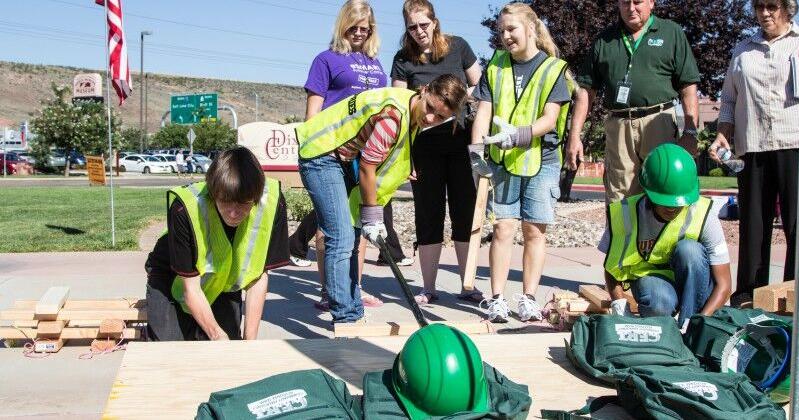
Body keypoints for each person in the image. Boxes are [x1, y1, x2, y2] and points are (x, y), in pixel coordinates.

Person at [296, 74, 468, 324]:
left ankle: (353, 310)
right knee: (341, 237)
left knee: (351, 236)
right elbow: (368, 167)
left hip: (339, 158)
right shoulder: (393, 116)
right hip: (320, 155)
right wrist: (372, 215)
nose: (430, 118)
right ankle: (345, 318)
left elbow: (394, 151)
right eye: (430, 108)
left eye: (440, 117)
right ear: (424, 89)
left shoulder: (411, 105)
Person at [288, 0, 411, 311]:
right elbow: (313, 113)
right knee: (330, 227)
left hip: (362, 154)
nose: (358, 33)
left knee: (356, 227)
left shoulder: (375, 64)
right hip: (331, 152)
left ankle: (353, 287)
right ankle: (330, 290)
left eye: (364, 28)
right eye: (353, 27)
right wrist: (319, 148)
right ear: (342, 26)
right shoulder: (326, 60)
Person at [471, 3, 574, 323]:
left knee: (533, 231)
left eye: (511, 29)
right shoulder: (496, 66)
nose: (505, 36)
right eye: (501, 31)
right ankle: (497, 298)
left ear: (531, 28)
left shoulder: (553, 69)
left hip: (541, 160)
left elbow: (550, 119)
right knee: (502, 229)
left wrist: (518, 135)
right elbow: (483, 112)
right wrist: (475, 152)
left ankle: (528, 298)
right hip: (503, 161)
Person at [144, 147, 290, 341]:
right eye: (226, 202)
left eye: (244, 203)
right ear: (213, 194)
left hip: (224, 284)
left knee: (230, 354)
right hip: (173, 281)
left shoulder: (272, 203)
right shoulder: (184, 208)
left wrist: (250, 342)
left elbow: (258, 277)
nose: (233, 213)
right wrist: (216, 334)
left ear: (255, 198)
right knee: (172, 352)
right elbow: (191, 289)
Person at [391, 0, 483, 305]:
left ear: (435, 22)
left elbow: (482, 87)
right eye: (412, 27)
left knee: (464, 214)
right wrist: (405, 156)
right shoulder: (403, 60)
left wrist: (462, 99)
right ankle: (428, 288)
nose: (419, 32)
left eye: (424, 25)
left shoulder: (459, 47)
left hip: (460, 145)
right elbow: (399, 110)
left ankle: (468, 285)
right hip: (424, 150)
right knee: (428, 216)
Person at [709, 0, 798, 306]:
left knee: (796, 223)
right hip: (753, 145)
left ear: (787, 9)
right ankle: (749, 295)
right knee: (753, 224)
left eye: (772, 6)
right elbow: (730, 100)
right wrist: (724, 132)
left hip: (793, 143)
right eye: (759, 7)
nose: (765, 13)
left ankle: (791, 294)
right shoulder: (743, 50)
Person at [568, 0, 701, 203]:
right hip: (619, 125)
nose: (631, 8)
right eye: (624, 3)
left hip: (659, 121)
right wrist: (575, 136)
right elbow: (585, 92)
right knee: (619, 194)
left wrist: (691, 131)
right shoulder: (604, 40)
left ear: (651, 3)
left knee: (662, 186)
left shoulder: (671, 32)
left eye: (637, 2)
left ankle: (659, 236)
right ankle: (623, 235)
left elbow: (688, 87)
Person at [601, 143, 731, 327]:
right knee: (658, 304)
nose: (673, 208)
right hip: (655, 285)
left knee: (690, 251)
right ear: (647, 192)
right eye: (665, 202)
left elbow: (724, 285)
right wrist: (619, 304)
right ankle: (666, 321)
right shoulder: (625, 214)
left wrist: (700, 321)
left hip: (697, 286)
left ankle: (688, 321)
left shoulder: (703, 213)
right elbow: (611, 268)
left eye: (678, 203)